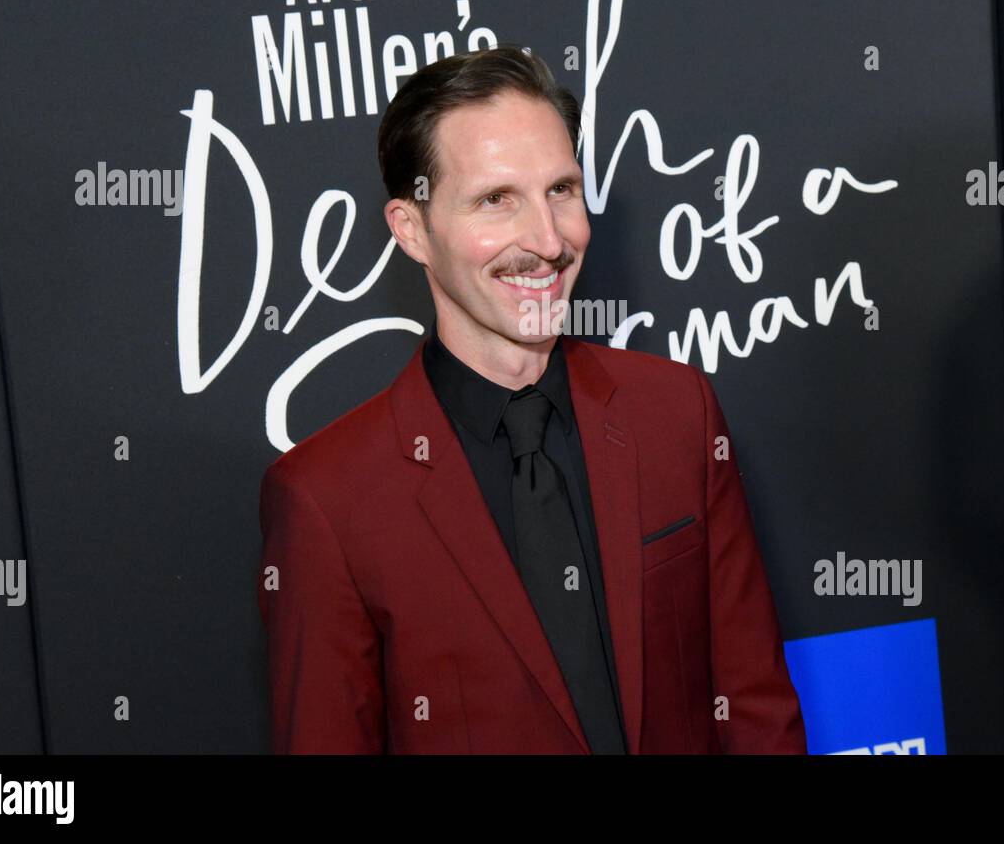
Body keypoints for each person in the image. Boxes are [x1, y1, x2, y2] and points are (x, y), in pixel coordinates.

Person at [257, 42, 806, 753]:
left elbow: (756, 708)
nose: (547, 241)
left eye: (561, 190)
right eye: (496, 200)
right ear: (412, 229)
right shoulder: (326, 500)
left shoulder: (677, 414)